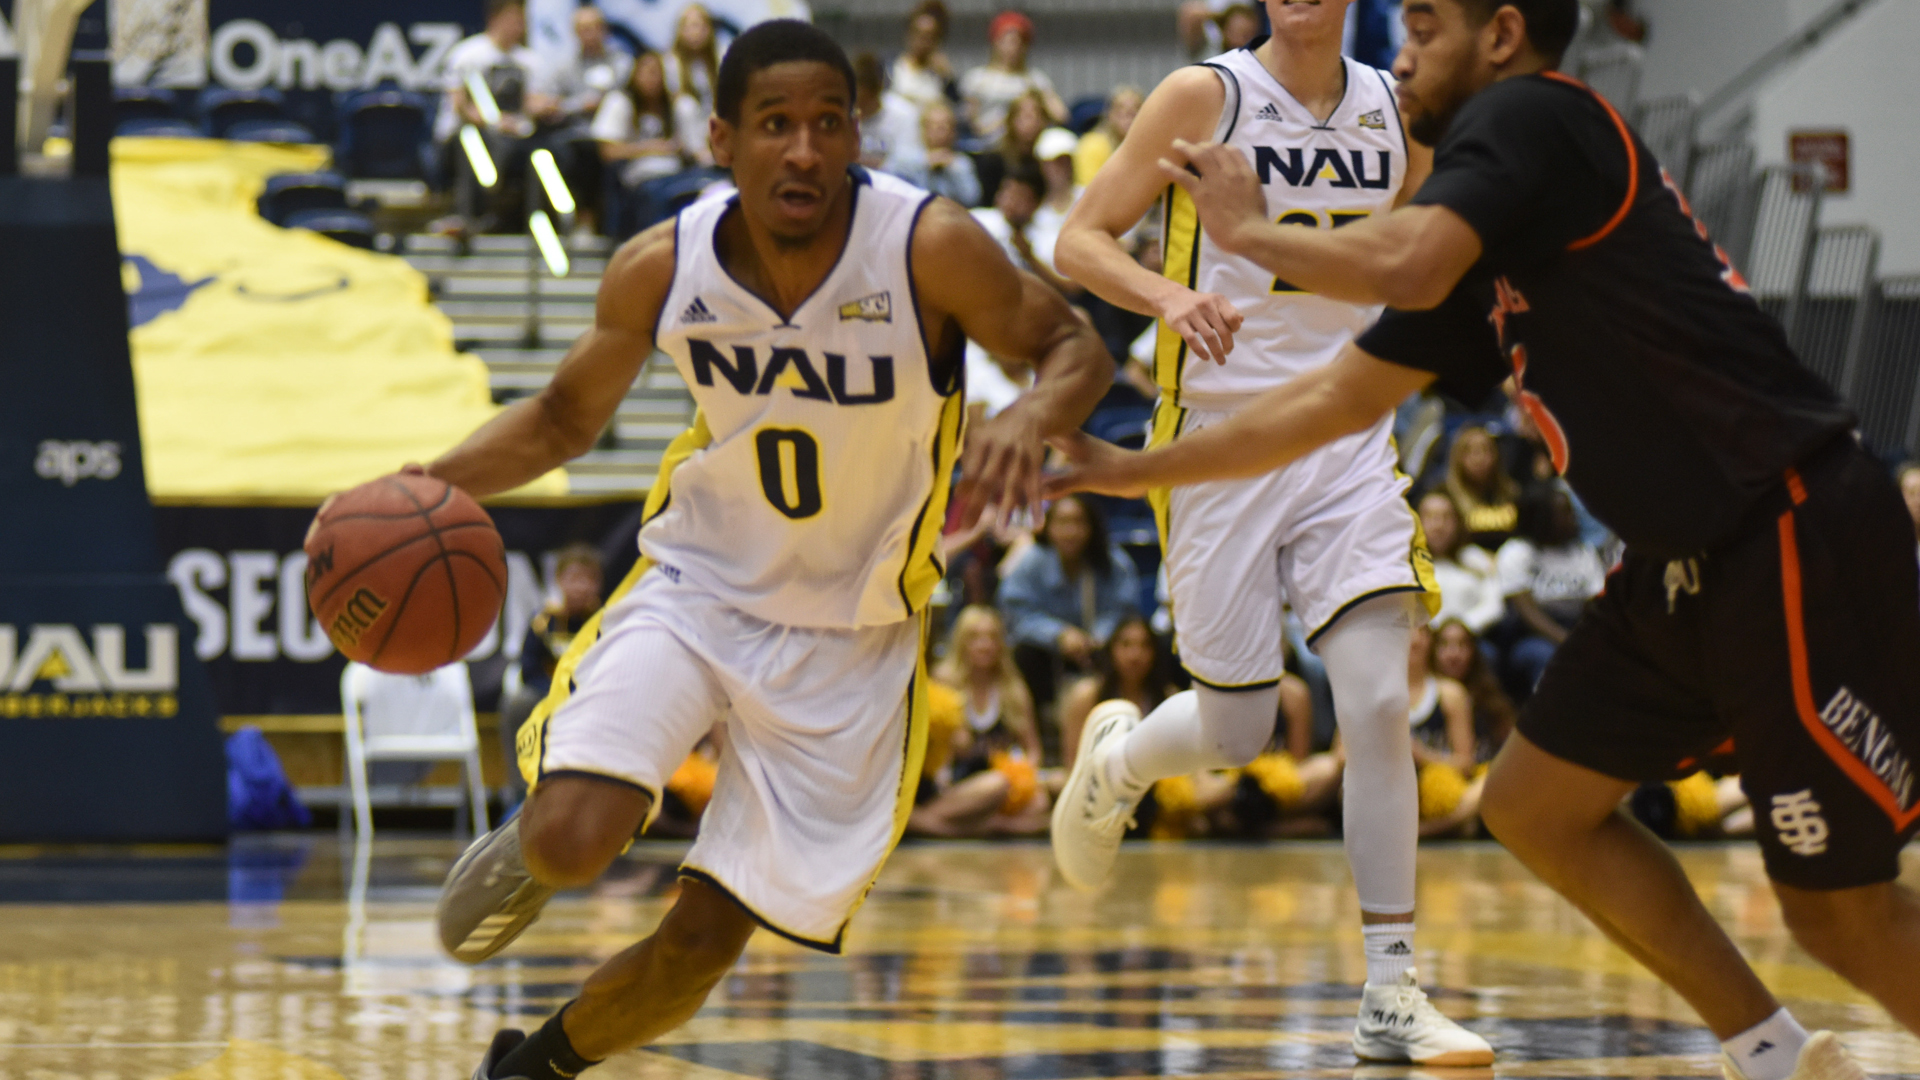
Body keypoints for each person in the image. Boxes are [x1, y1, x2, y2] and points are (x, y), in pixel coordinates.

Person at [1046, 0, 1918, 1075]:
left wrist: (1246, 233)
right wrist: (1131, 463)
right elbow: (1331, 387)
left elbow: (1401, 269)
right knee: (1528, 806)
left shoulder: (1533, 118)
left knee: (1837, 914)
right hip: (1663, 557)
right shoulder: (1444, 207)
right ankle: (1771, 1052)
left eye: (1422, 23)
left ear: (1501, 35)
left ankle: (1393, 988)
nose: (1400, 47)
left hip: (1777, 526)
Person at [422, 22, 1113, 1080]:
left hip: (856, 634)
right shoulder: (663, 265)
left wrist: (1029, 415)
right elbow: (564, 419)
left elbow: (1075, 346)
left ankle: (532, 1070)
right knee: (570, 840)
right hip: (700, 586)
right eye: (776, 125)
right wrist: (422, 488)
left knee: (703, 943)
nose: (804, 151)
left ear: (855, 135)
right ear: (720, 139)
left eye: (827, 124)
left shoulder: (928, 243)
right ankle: (534, 840)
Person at [1047, 0, 1490, 1066]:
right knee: (1237, 732)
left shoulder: (1397, 105)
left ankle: (1393, 990)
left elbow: (1422, 260)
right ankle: (1117, 761)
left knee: (1381, 699)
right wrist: (1165, 295)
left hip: (1346, 430)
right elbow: (1077, 237)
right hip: (1220, 434)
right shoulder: (1210, 94)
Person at [998, 493, 1141, 722]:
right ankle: (1036, 728)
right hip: (1047, 652)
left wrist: (1097, 636)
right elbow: (1016, 614)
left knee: (1131, 649)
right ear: (1048, 527)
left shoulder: (1114, 563)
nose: (1070, 531)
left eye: (1078, 522)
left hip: (1098, 647)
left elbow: (1124, 611)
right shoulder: (1031, 561)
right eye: (1063, 523)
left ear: (1092, 527)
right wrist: (1059, 635)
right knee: (1024, 654)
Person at [910, 606, 1050, 835]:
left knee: (1038, 801)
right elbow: (936, 755)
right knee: (997, 784)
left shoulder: (1013, 689)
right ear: (961, 642)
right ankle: (958, 826)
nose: (984, 645)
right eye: (975, 637)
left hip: (1002, 785)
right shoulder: (944, 682)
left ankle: (951, 827)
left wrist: (1024, 775)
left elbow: (1033, 750)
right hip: (953, 785)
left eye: (992, 637)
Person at [435, 0, 562, 232]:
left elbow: (532, 102)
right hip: (464, 136)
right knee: (477, 141)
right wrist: (496, 121)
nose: (519, 26)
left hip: (515, 137)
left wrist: (544, 107)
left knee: (550, 149)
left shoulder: (530, 61)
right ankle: (468, 216)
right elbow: (460, 104)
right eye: (513, 19)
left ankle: (546, 223)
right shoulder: (468, 54)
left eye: (522, 21)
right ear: (495, 19)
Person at [498, 545, 607, 799]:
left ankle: (602, 792)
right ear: (559, 581)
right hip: (548, 695)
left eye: (587, 580)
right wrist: (555, 695)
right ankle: (521, 791)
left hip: (594, 695)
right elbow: (528, 667)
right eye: (573, 578)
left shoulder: (607, 622)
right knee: (517, 704)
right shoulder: (543, 622)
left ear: (598, 584)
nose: (580, 587)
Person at [1497, 484, 1607, 696]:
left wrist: (1586, 639)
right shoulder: (1516, 552)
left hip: (1577, 628)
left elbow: (1594, 603)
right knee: (1549, 658)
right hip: (1531, 635)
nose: (1573, 517)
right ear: (1542, 517)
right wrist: (1565, 640)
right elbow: (1527, 612)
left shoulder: (1582, 552)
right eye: (1564, 512)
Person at [592, 50, 705, 235]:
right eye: (646, 72)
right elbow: (607, 151)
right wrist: (651, 148)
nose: (652, 78)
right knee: (655, 195)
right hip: (638, 176)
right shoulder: (620, 102)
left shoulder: (679, 105)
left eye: (656, 72)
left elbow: (696, 150)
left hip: (677, 172)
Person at [1058, 614, 1178, 765]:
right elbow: (1072, 764)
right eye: (1126, 644)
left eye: (1144, 645)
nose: (1135, 655)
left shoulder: (1169, 698)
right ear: (1111, 649)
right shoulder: (1086, 696)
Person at [1404, 622, 1483, 837]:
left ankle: (1424, 831)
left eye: (1421, 632)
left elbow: (1466, 764)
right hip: (1394, 788)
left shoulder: (1451, 694)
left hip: (1440, 791)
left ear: (1430, 641)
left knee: (1487, 782)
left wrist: (1423, 756)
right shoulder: (1378, 694)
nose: (1414, 639)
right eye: (1405, 630)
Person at [959, 11, 1067, 143]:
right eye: (1007, 41)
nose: (1013, 47)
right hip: (986, 143)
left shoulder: (1036, 79)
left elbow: (1061, 115)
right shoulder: (977, 78)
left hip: (1026, 144)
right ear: (995, 43)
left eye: (1018, 41)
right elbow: (967, 121)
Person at [1430, 618, 1517, 761]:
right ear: (1432, 650)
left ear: (1474, 652)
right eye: (1444, 644)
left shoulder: (1493, 703)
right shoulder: (1424, 703)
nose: (1454, 654)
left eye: (1462, 645)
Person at [1419, 489, 1503, 635]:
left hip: (1472, 639)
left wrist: (1458, 630)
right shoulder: (1405, 564)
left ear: (1458, 522)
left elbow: (1495, 605)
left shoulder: (1474, 557)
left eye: (1446, 517)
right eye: (1430, 517)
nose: (1438, 525)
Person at [973, 89, 1049, 213]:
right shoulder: (993, 159)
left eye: (1037, 116)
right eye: (1025, 116)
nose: (1031, 122)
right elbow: (987, 202)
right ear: (1011, 120)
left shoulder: (1049, 159)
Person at [1445, 424, 1520, 549]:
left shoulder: (1513, 493)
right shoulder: (1445, 496)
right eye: (1470, 451)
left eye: (1485, 450)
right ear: (1457, 457)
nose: (1478, 458)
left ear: (1496, 455)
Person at [894, 101, 980, 206]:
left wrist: (953, 168)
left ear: (953, 131)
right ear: (923, 129)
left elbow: (972, 199)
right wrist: (925, 161)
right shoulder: (904, 159)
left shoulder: (961, 163)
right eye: (933, 126)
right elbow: (892, 187)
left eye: (944, 127)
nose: (939, 132)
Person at [851, 51, 922, 172]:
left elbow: (911, 164)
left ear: (877, 92)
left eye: (864, 100)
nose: (859, 107)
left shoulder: (905, 113)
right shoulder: (844, 114)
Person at [890, 0, 958, 116]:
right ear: (908, 34)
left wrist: (948, 79)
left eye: (930, 36)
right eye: (918, 33)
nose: (922, 41)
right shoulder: (891, 68)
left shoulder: (941, 75)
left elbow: (956, 110)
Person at [1071, 85, 1142, 188]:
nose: (1128, 114)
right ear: (1109, 114)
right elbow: (1088, 190)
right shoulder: (1092, 145)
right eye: (1120, 108)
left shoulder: (1150, 149)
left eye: (1135, 109)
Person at [664, 4, 721, 116]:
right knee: (686, 106)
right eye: (690, 26)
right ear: (680, 31)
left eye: (700, 26)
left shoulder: (720, 56)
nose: (696, 32)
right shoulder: (671, 62)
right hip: (687, 125)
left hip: (716, 120)